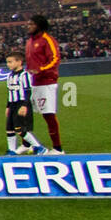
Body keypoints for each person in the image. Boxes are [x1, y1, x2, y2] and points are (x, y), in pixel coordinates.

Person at [25, 14, 64, 154]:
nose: (28, 26)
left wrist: (41, 70)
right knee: (26, 113)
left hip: (46, 82)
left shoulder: (47, 40)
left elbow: (55, 59)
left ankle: (58, 148)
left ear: (39, 25)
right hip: (33, 82)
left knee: (48, 115)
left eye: (31, 24)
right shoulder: (30, 41)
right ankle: (27, 144)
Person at [5, 51, 42, 155]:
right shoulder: (10, 76)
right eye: (7, 62)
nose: (8, 64)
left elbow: (28, 91)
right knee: (9, 129)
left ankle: (38, 147)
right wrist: (8, 106)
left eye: (10, 62)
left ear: (19, 62)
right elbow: (10, 92)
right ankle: (11, 151)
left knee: (19, 129)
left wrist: (25, 105)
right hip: (12, 104)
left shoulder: (25, 75)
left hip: (21, 104)